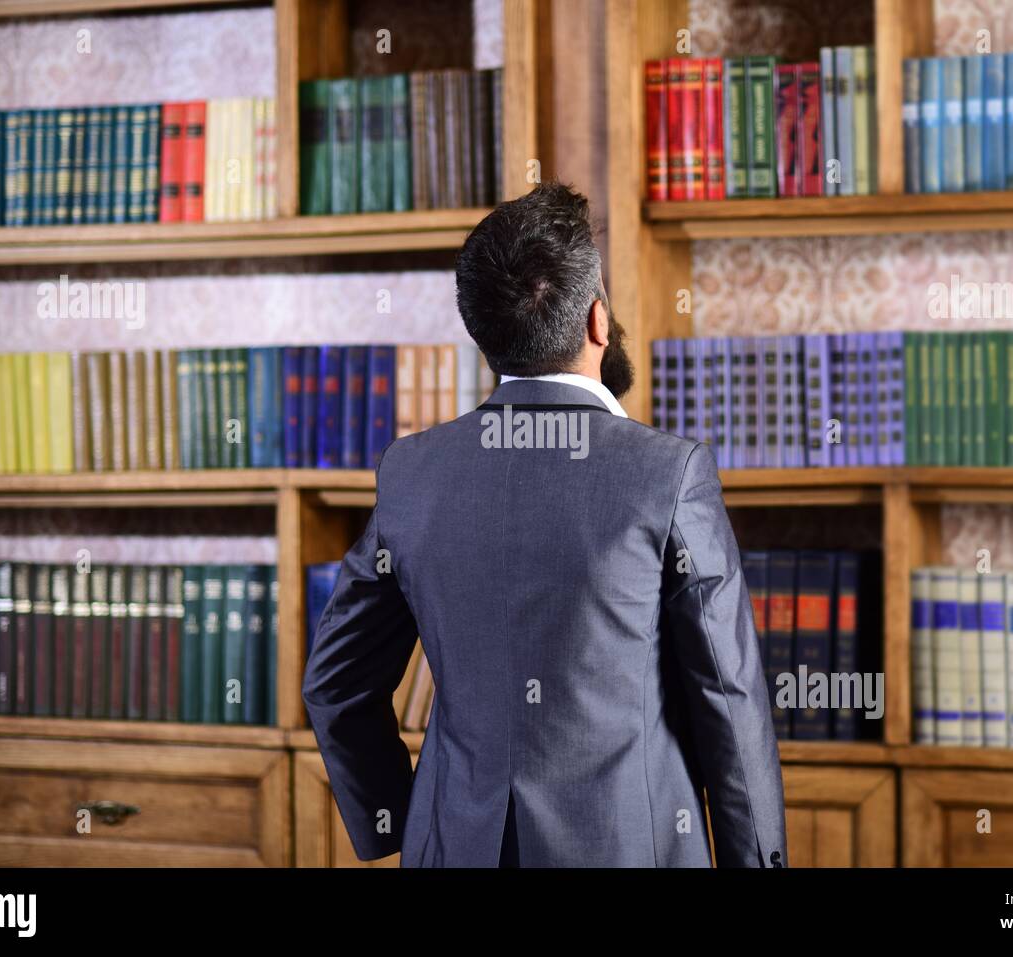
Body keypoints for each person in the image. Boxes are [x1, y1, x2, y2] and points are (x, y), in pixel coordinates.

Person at [302, 181, 786, 867]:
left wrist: (398, 821)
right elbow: (729, 702)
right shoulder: (667, 474)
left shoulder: (413, 473)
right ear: (597, 320)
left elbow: (337, 679)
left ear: (486, 339)